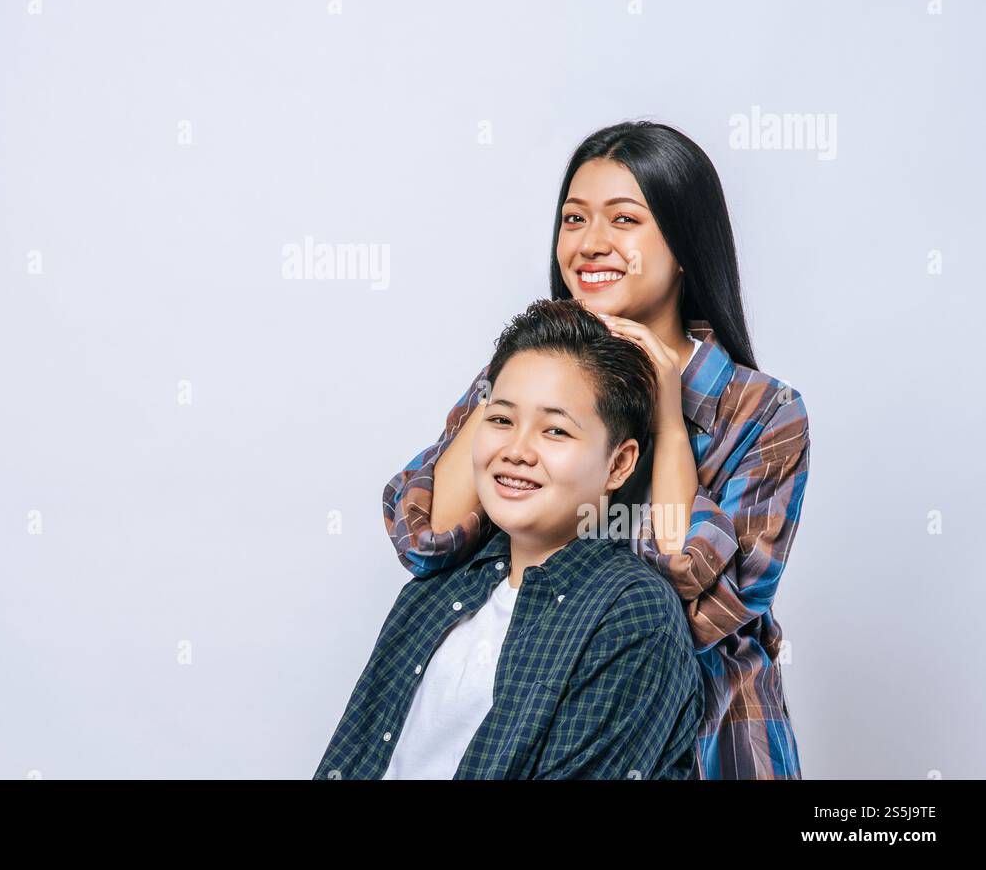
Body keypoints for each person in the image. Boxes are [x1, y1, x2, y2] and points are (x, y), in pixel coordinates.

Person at [383, 120, 810, 780]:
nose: (590, 243)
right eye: (574, 218)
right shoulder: (530, 376)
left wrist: (667, 413)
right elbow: (426, 537)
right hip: (541, 733)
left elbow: (693, 602)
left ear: (685, 243)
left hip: (711, 745)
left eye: (624, 219)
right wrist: (524, 362)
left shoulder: (762, 412)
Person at [316, 298, 702, 780]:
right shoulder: (435, 592)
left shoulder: (632, 614)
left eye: (555, 430)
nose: (516, 451)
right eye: (501, 420)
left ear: (619, 464)